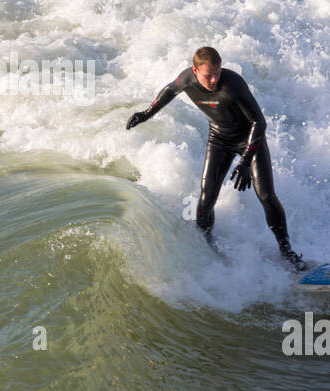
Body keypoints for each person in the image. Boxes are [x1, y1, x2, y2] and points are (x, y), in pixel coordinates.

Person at [126, 46, 306, 270]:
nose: (213, 79)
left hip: (250, 140)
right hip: (219, 140)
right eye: (208, 75)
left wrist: (245, 162)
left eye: (217, 73)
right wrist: (145, 114)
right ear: (195, 70)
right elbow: (170, 91)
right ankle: (205, 247)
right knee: (206, 198)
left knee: (266, 195)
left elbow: (259, 122)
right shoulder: (187, 79)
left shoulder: (233, 84)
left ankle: (287, 252)